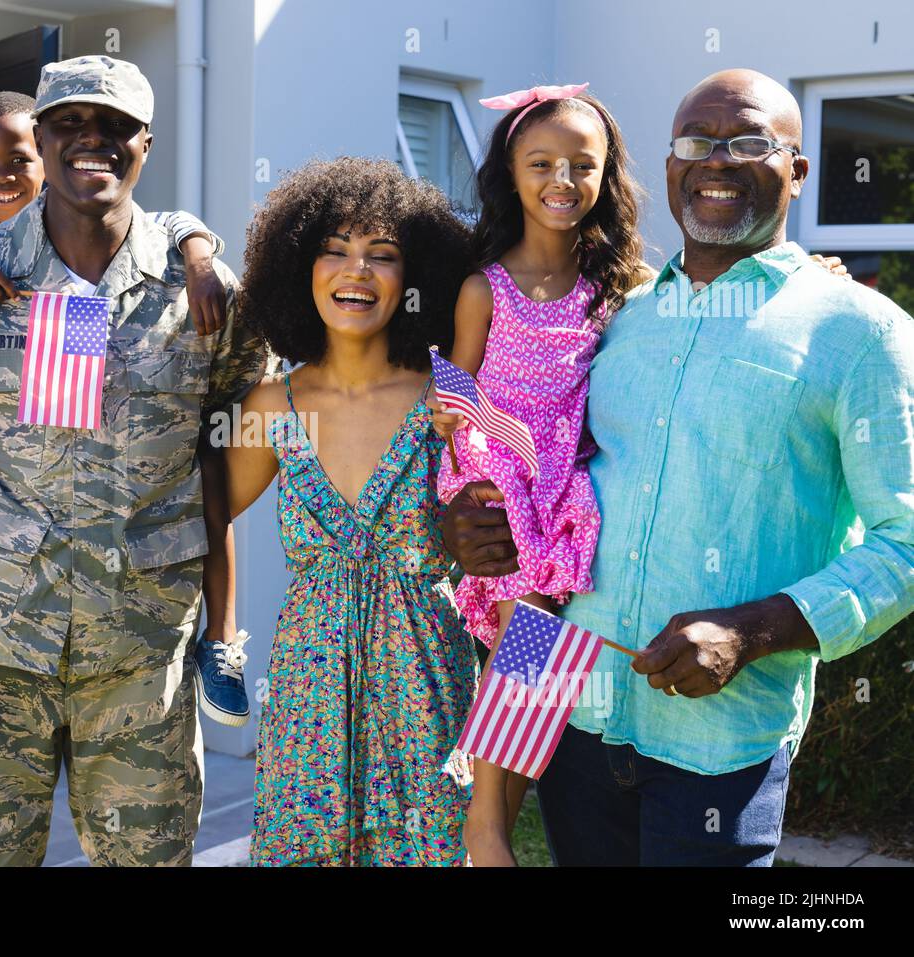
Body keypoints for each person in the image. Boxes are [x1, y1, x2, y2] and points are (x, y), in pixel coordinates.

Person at [441, 69, 914, 866]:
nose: (717, 162)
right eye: (695, 144)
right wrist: (464, 521)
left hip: (719, 748)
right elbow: (543, 523)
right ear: (667, 169)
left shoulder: (858, 331)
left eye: (750, 143)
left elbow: (905, 543)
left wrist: (750, 631)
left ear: (798, 170)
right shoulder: (620, 311)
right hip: (574, 718)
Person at [0, 56, 269, 866]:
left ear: (146, 144)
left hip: (140, 657)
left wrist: (176, 539)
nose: (93, 140)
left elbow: (241, 424)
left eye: (116, 126)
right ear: (44, 137)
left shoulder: (199, 288)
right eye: (69, 124)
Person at [227, 157, 477, 865]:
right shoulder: (272, 407)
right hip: (308, 692)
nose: (357, 271)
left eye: (384, 255)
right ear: (299, 269)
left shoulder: (448, 398)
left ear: (415, 277)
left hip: (426, 687)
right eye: (334, 249)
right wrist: (221, 641)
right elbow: (196, 513)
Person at [431, 84, 649, 865]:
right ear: (512, 175)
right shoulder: (483, 286)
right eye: (541, 162)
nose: (562, 178)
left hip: (568, 471)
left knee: (543, 644)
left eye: (580, 165)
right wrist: (461, 452)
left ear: (605, 177)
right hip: (499, 465)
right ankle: (487, 826)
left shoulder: (619, 285)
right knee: (528, 624)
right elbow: (454, 393)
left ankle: (485, 814)